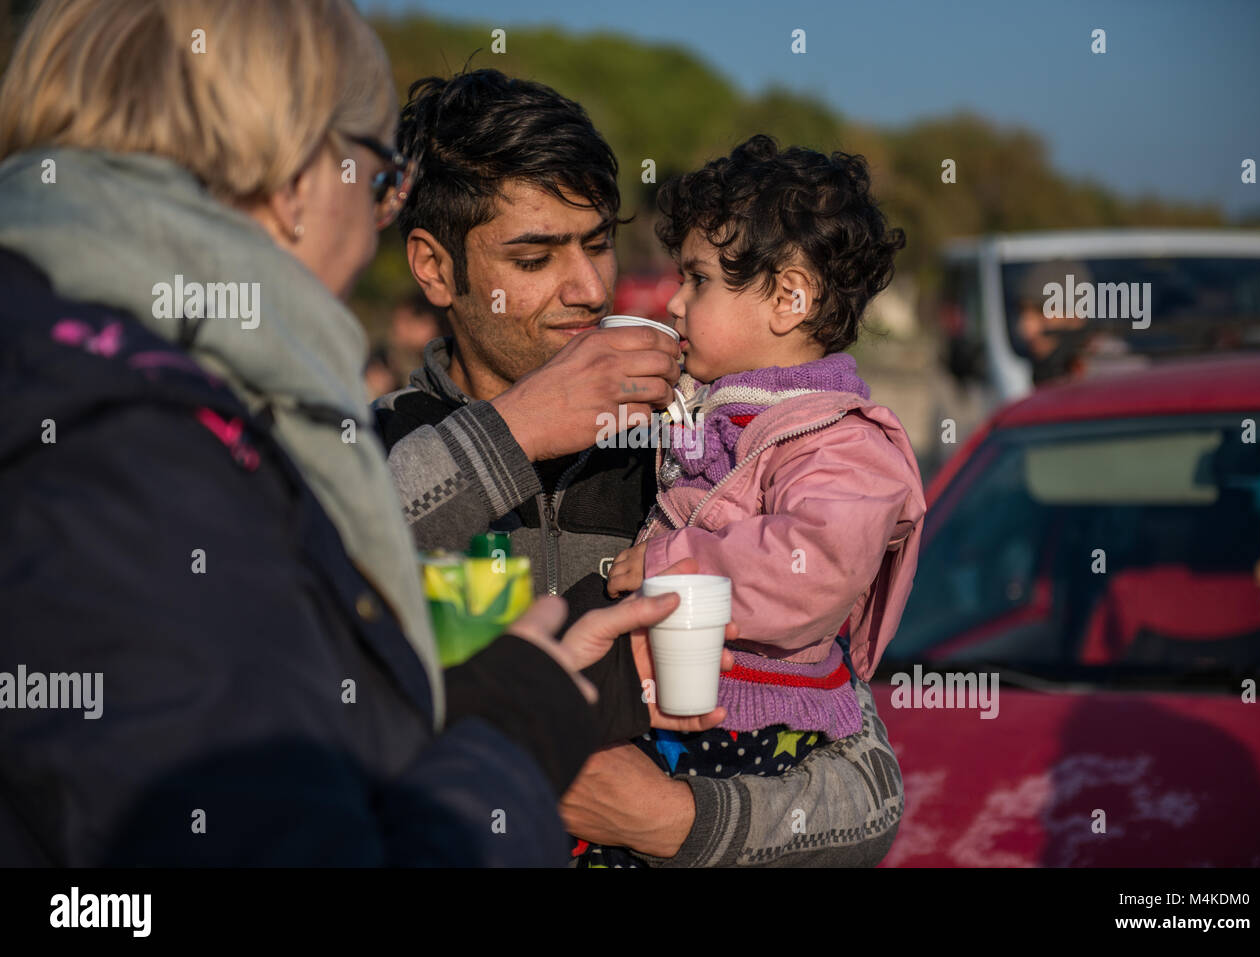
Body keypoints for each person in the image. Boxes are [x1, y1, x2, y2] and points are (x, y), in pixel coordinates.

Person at [0, 0, 706, 866]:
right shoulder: (145, 445)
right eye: (378, 178)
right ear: (296, 184)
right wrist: (515, 736)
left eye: (600, 245)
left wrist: (646, 794)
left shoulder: (88, 379)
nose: (589, 287)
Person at [375, 69, 908, 866]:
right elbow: (293, 587)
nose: (590, 288)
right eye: (535, 256)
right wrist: (513, 431)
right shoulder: (374, 447)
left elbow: (872, 797)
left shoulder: (690, 445)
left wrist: (674, 818)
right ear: (435, 269)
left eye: (597, 243)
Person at [581, 136, 924, 866]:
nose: (673, 302)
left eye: (698, 281)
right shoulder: (725, 415)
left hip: (754, 737)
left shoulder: (840, 441)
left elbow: (814, 567)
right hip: (683, 718)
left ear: (790, 297)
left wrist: (670, 560)